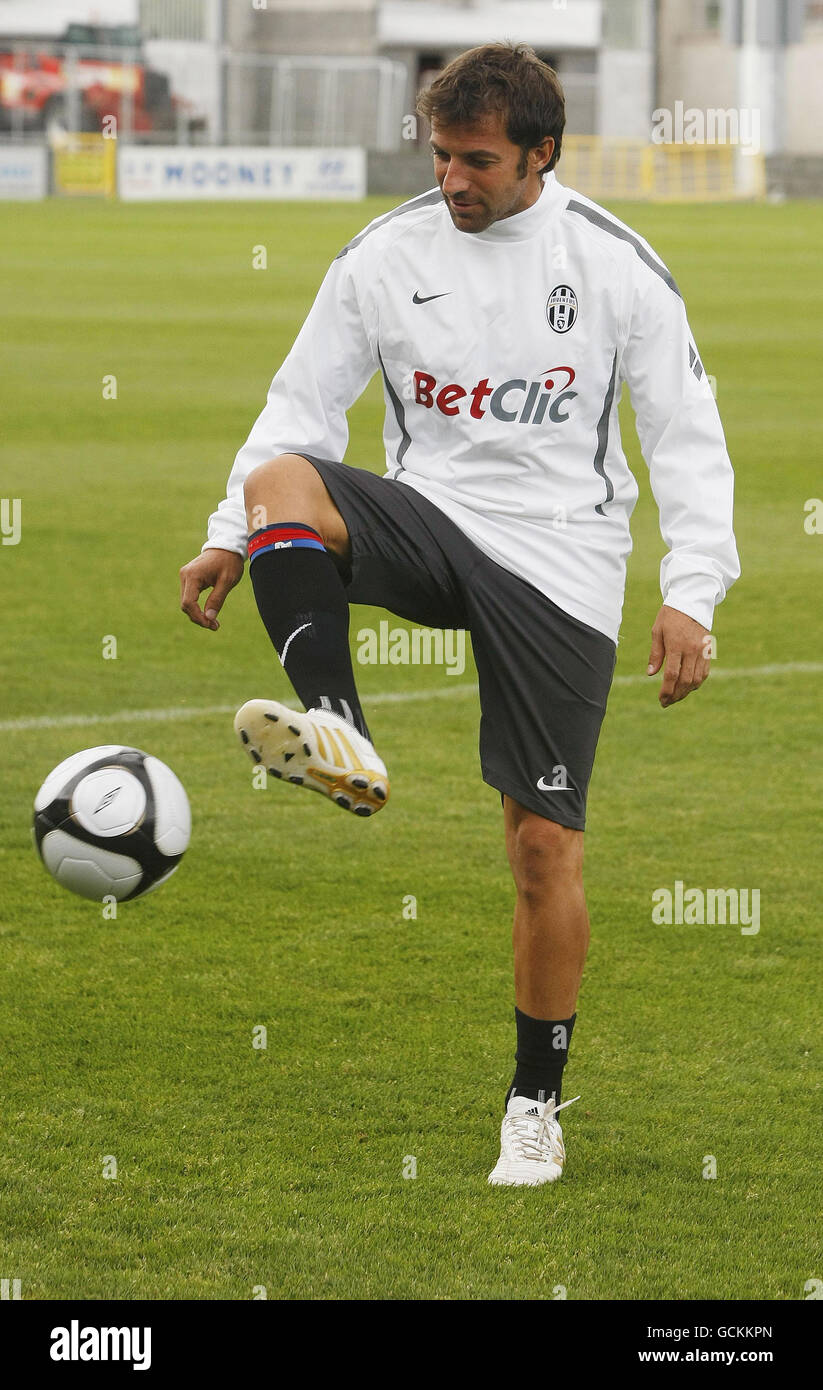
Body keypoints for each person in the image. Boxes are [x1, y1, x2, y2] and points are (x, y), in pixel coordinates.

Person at [179, 43, 740, 1187]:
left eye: (477, 160)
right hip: (430, 522)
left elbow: (686, 435)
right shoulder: (385, 255)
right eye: (439, 154)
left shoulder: (616, 265)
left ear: (542, 154)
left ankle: (535, 1101)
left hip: (560, 563)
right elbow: (300, 406)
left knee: (541, 848)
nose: (452, 179)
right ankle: (338, 730)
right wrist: (231, 535)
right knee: (282, 475)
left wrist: (690, 593)